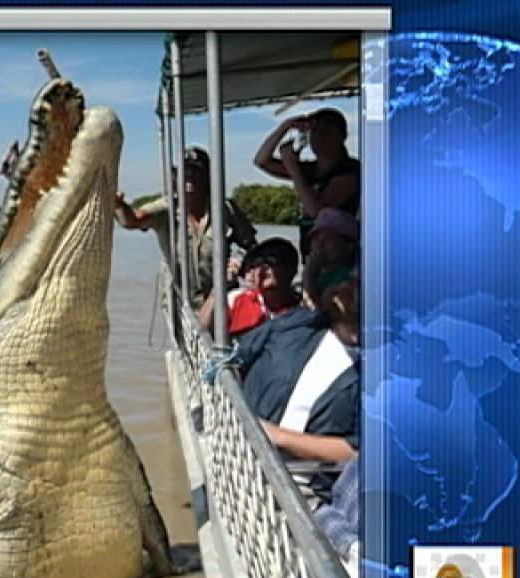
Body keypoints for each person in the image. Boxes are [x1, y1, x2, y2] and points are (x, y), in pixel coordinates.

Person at [234, 268, 362, 500]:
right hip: (239, 459)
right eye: (350, 279)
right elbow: (236, 358)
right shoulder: (297, 324)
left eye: (360, 284)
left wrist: (277, 436)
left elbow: (358, 450)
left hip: (298, 489)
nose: (347, 287)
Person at [115, 146, 257, 309]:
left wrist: (238, 263)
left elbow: (251, 247)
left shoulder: (226, 208)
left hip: (223, 300)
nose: (190, 175)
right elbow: (132, 220)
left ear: (207, 176)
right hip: (184, 307)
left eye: (196, 170)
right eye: (185, 170)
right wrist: (118, 205)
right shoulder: (167, 208)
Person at [253, 108, 360, 261]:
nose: (318, 137)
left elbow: (319, 212)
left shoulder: (350, 170)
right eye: (314, 132)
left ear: (342, 136)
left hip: (339, 256)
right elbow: (261, 161)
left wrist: (292, 166)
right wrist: (286, 126)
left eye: (326, 131)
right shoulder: (311, 170)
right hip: (313, 253)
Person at [198, 237, 300, 339]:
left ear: (291, 270)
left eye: (271, 261)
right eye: (259, 261)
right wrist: (220, 286)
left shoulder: (303, 310)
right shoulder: (236, 299)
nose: (262, 268)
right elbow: (201, 330)